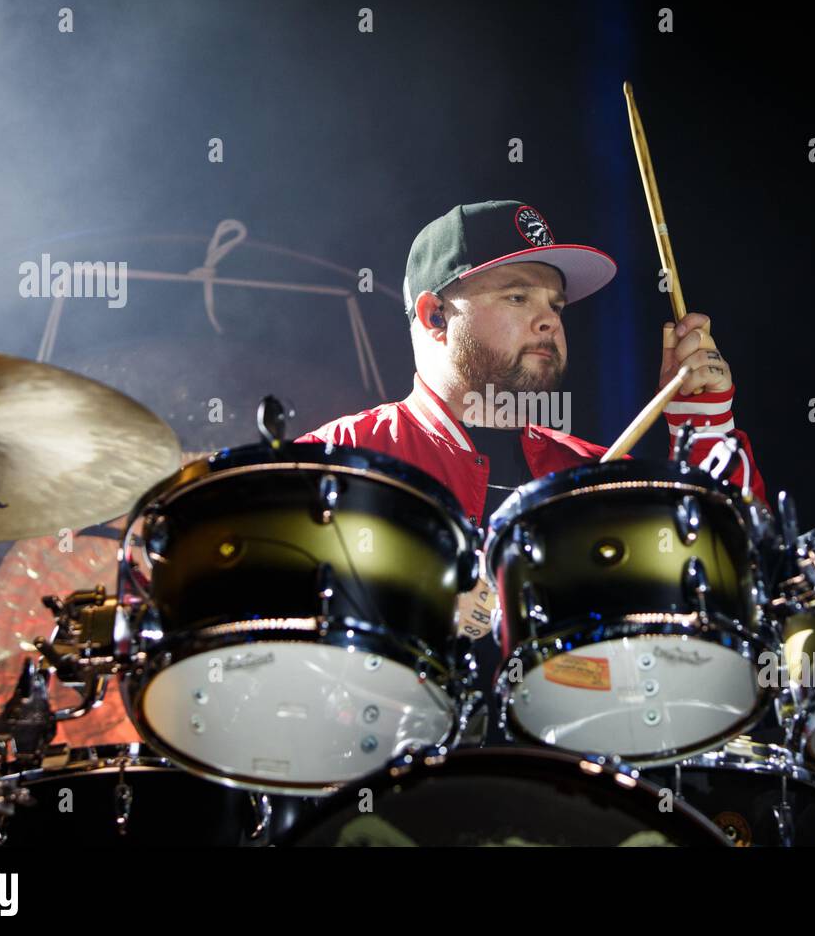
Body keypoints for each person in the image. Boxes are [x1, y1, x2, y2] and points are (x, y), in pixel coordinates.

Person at [295, 200, 764, 732]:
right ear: (434, 317)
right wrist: (411, 602)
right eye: (518, 296)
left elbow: (739, 584)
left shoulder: (595, 477)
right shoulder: (339, 461)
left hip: (573, 789)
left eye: (556, 305)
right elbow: (264, 630)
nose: (548, 320)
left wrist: (704, 426)